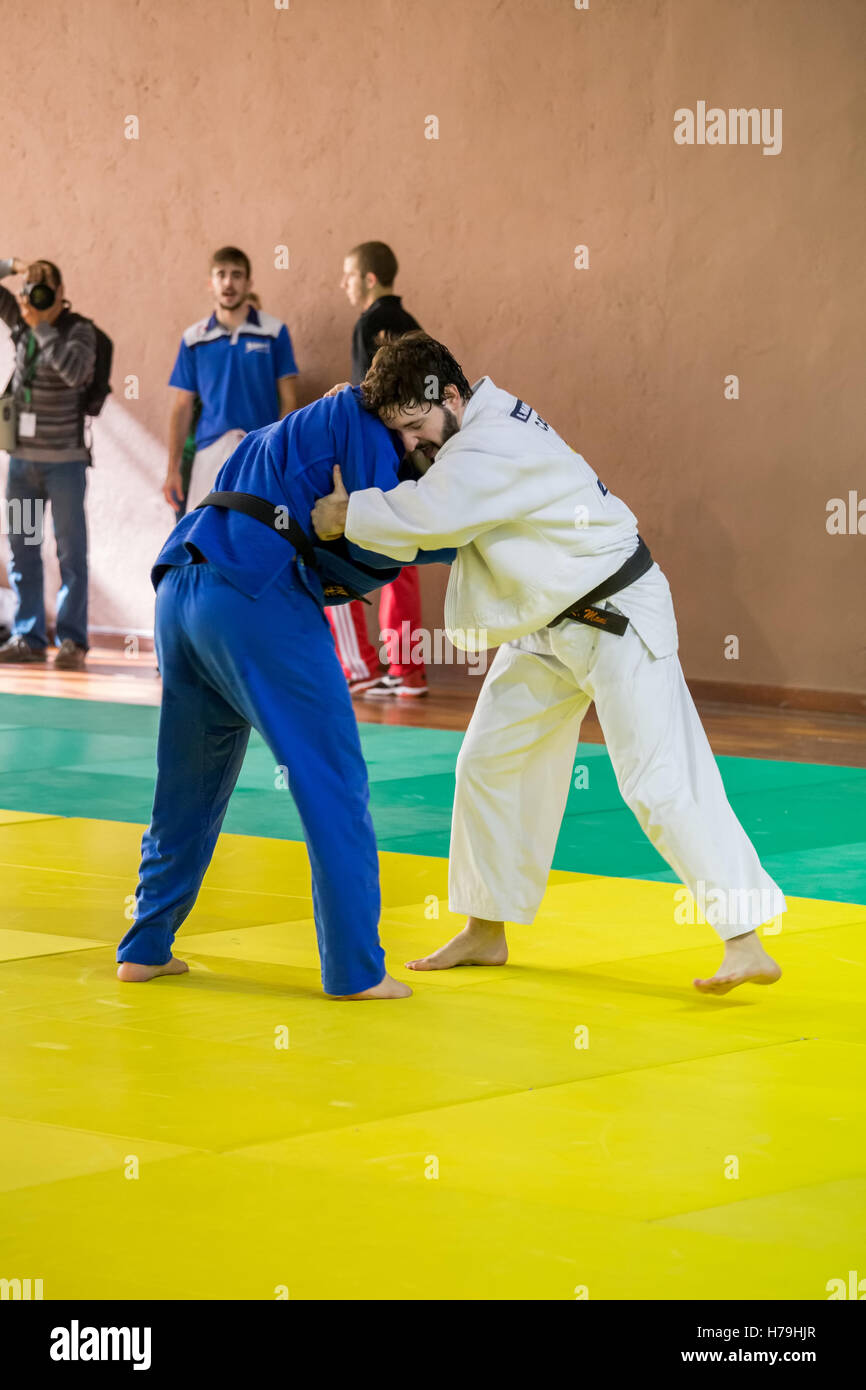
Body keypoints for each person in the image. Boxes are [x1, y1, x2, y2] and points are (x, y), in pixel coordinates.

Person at [311, 332, 786, 997]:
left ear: (451, 396)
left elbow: (433, 517)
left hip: (615, 612)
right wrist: (354, 405)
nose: (414, 445)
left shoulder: (492, 442)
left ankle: (745, 941)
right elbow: (434, 485)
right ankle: (486, 928)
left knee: (657, 780)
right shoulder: (469, 430)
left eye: (416, 426)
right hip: (549, 619)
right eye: (403, 434)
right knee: (488, 761)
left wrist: (347, 514)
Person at [116, 384, 453, 1000]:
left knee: (187, 786)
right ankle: (356, 969)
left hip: (180, 588)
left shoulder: (286, 430)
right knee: (331, 778)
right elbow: (387, 536)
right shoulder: (360, 422)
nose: (416, 440)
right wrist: (464, 533)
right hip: (254, 597)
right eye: (417, 426)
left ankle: (145, 945)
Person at [330, 241, 428, 698]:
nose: (344, 283)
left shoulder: (368, 323)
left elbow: (368, 395)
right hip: (410, 457)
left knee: (347, 552)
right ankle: (407, 671)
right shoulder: (411, 326)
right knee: (403, 559)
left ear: (369, 279)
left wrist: (346, 394)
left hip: (375, 456)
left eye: (349, 275)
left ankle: (361, 667)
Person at [0, 256, 96, 670]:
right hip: (23, 467)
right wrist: (15, 266)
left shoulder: (81, 331)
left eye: (45, 287)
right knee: (23, 549)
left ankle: (73, 640)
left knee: (71, 552)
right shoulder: (20, 322)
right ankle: (29, 635)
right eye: (32, 287)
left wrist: (41, 325)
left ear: (60, 293)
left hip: (65, 467)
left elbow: (75, 374)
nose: (37, 294)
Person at [162, 248, 299, 514]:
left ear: (248, 283)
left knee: (258, 541)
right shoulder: (193, 338)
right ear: (210, 284)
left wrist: (281, 456)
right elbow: (182, 407)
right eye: (221, 275)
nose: (228, 282)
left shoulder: (275, 332)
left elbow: (290, 401)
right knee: (205, 545)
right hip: (209, 455)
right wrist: (173, 470)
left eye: (237, 275)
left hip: (260, 454)